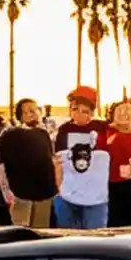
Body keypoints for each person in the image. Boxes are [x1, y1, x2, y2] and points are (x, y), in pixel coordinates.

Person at [53, 86, 113, 229]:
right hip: (68, 196)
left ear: (91, 112)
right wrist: (58, 190)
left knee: (95, 242)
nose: (79, 114)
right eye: (75, 109)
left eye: (84, 110)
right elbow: (58, 161)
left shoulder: (103, 128)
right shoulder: (64, 129)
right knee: (67, 240)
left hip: (96, 200)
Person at [0, 98, 60, 227]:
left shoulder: (44, 134)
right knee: (20, 236)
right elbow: (1, 166)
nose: (30, 114)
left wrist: (56, 188)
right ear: (20, 116)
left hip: (45, 195)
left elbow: (51, 161)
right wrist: (7, 193)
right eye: (25, 112)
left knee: (42, 235)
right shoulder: (9, 135)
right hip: (20, 196)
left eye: (33, 110)